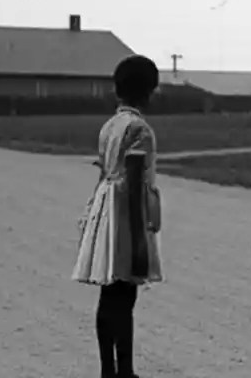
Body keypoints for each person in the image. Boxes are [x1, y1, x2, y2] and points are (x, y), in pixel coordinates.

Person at [72, 55, 164, 378]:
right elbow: (136, 178)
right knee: (125, 293)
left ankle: (106, 370)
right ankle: (125, 371)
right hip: (125, 212)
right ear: (147, 92)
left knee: (107, 292)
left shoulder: (109, 126)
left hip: (104, 205)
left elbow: (104, 173)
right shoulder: (140, 129)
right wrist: (141, 233)